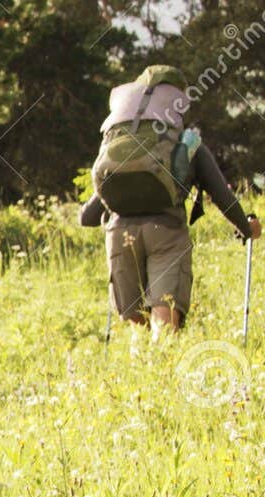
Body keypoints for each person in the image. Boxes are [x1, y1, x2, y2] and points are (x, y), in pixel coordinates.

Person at [81, 64, 261, 335]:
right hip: (166, 233)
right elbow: (222, 196)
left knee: (137, 329)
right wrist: (246, 228)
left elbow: (87, 217)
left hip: (119, 234)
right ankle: (162, 370)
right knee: (164, 324)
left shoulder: (118, 142)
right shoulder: (187, 143)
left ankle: (143, 375)